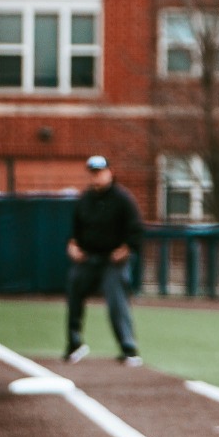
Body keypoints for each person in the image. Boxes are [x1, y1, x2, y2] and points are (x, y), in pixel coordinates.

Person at [65, 154, 144, 366]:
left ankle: (128, 349)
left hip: (113, 260)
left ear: (110, 172)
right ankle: (74, 344)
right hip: (89, 257)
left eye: (100, 172)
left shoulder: (122, 199)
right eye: (93, 172)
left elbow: (136, 230)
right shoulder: (85, 200)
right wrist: (73, 246)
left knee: (116, 300)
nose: (97, 176)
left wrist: (126, 249)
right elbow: (75, 231)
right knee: (74, 288)